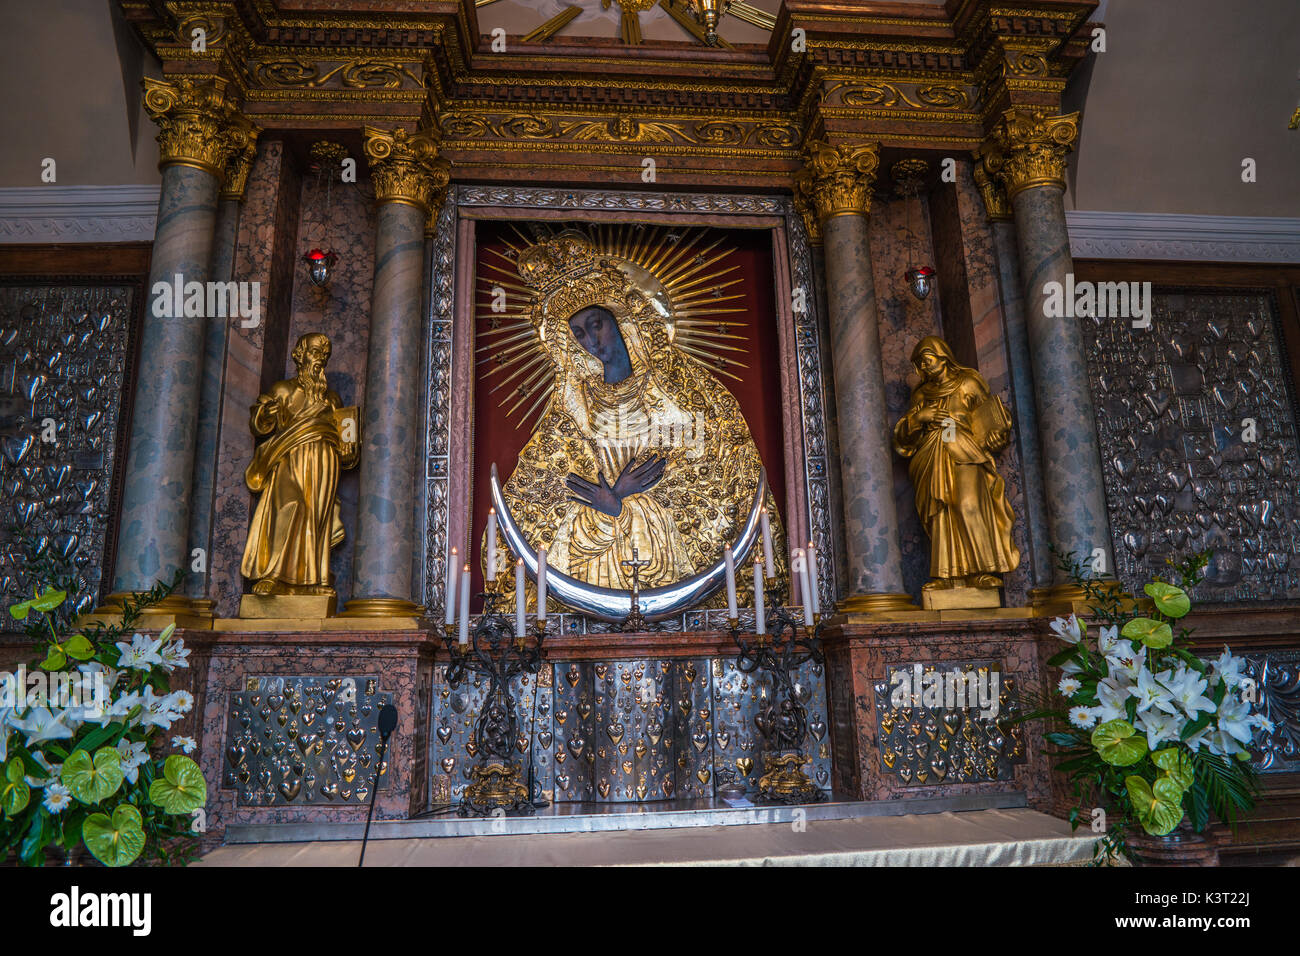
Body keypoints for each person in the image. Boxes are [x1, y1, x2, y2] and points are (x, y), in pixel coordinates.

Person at [892, 336, 1020, 591]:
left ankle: (982, 569)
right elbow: (904, 438)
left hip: (964, 450)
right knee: (942, 511)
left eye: (927, 362)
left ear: (943, 357)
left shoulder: (968, 383)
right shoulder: (921, 394)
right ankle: (946, 576)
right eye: (920, 365)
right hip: (931, 455)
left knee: (968, 504)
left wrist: (997, 434)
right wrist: (920, 417)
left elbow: (992, 415)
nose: (924, 369)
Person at [240, 332, 358, 596]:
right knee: (291, 507)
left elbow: (346, 436)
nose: (320, 360)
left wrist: (348, 445)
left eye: (324, 356)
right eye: (315, 353)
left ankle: (313, 580)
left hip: (324, 462)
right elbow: (259, 420)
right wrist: (265, 414)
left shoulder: (332, 399)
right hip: (290, 457)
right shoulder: (284, 390)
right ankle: (273, 573)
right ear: (300, 354)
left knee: (316, 519)